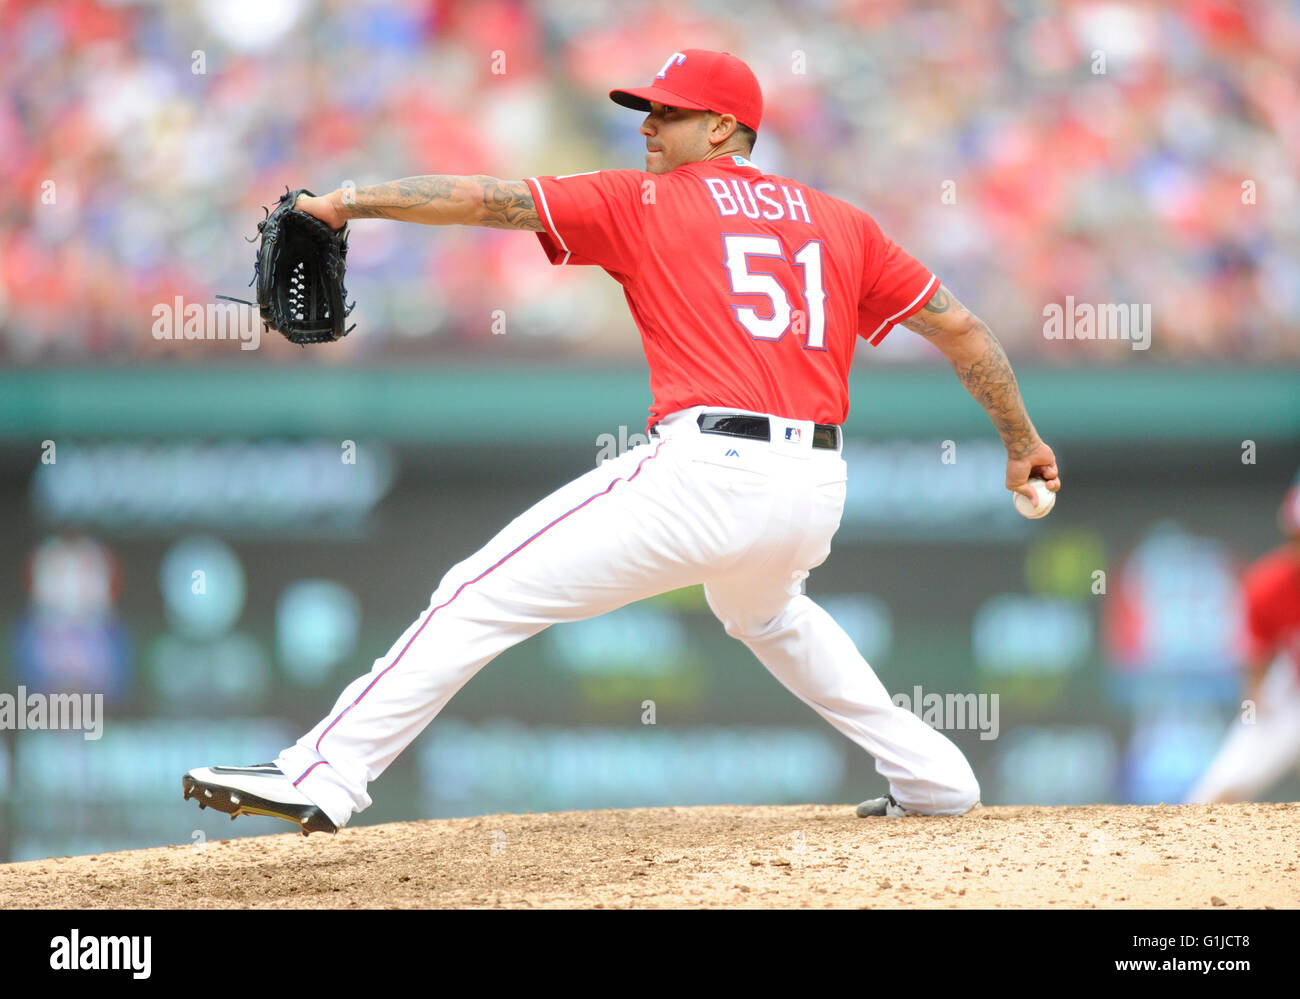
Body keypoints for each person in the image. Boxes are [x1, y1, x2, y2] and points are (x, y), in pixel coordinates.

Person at [183, 49, 1060, 834]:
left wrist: (345, 200)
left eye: (668, 111)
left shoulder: (640, 198)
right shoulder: (842, 222)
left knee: (474, 591)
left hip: (708, 470)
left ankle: (323, 770)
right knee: (768, 612)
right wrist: (1019, 441)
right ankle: (936, 777)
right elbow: (966, 330)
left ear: (723, 127)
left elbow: (492, 199)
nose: (648, 123)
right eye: (647, 108)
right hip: (816, 481)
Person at [1185, 479, 1300, 803]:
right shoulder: (1269, 585)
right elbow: (1257, 650)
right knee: (1214, 797)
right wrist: (1257, 693)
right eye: (1297, 537)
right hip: (1291, 694)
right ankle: (1183, 850)